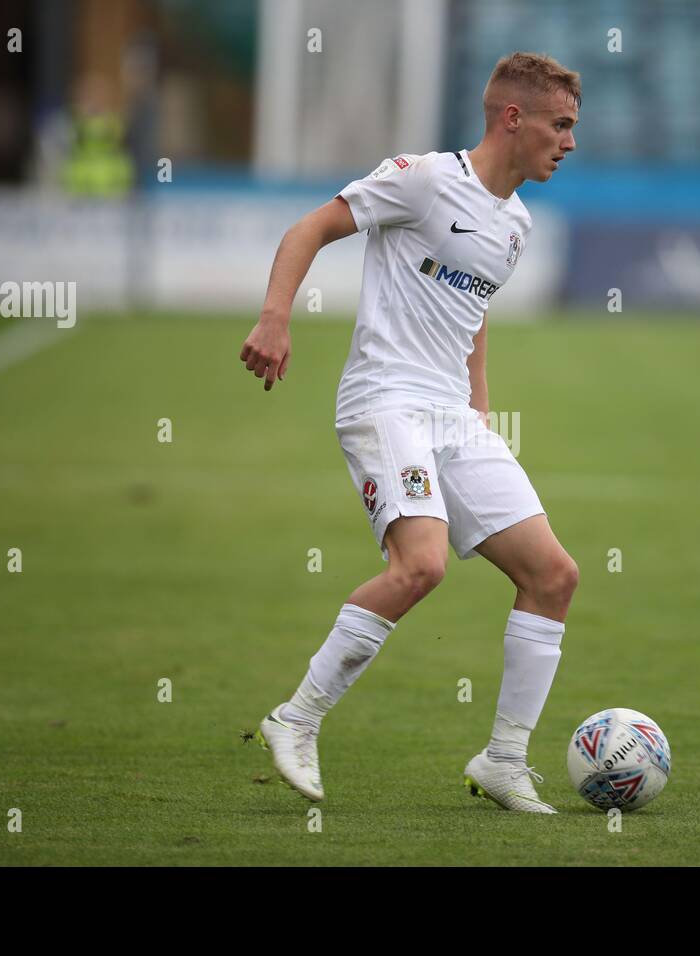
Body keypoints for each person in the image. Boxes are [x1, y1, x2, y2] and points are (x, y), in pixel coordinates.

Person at [239, 52, 581, 813]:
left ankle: (503, 760)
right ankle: (296, 718)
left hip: (451, 416)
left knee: (553, 576)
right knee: (420, 566)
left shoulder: (517, 224)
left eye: (574, 128)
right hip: (384, 397)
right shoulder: (423, 178)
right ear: (512, 118)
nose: (570, 142)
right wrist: (275, 317)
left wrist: (479, 408)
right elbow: (313, 226)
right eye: (560, 125)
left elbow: (474, 312)